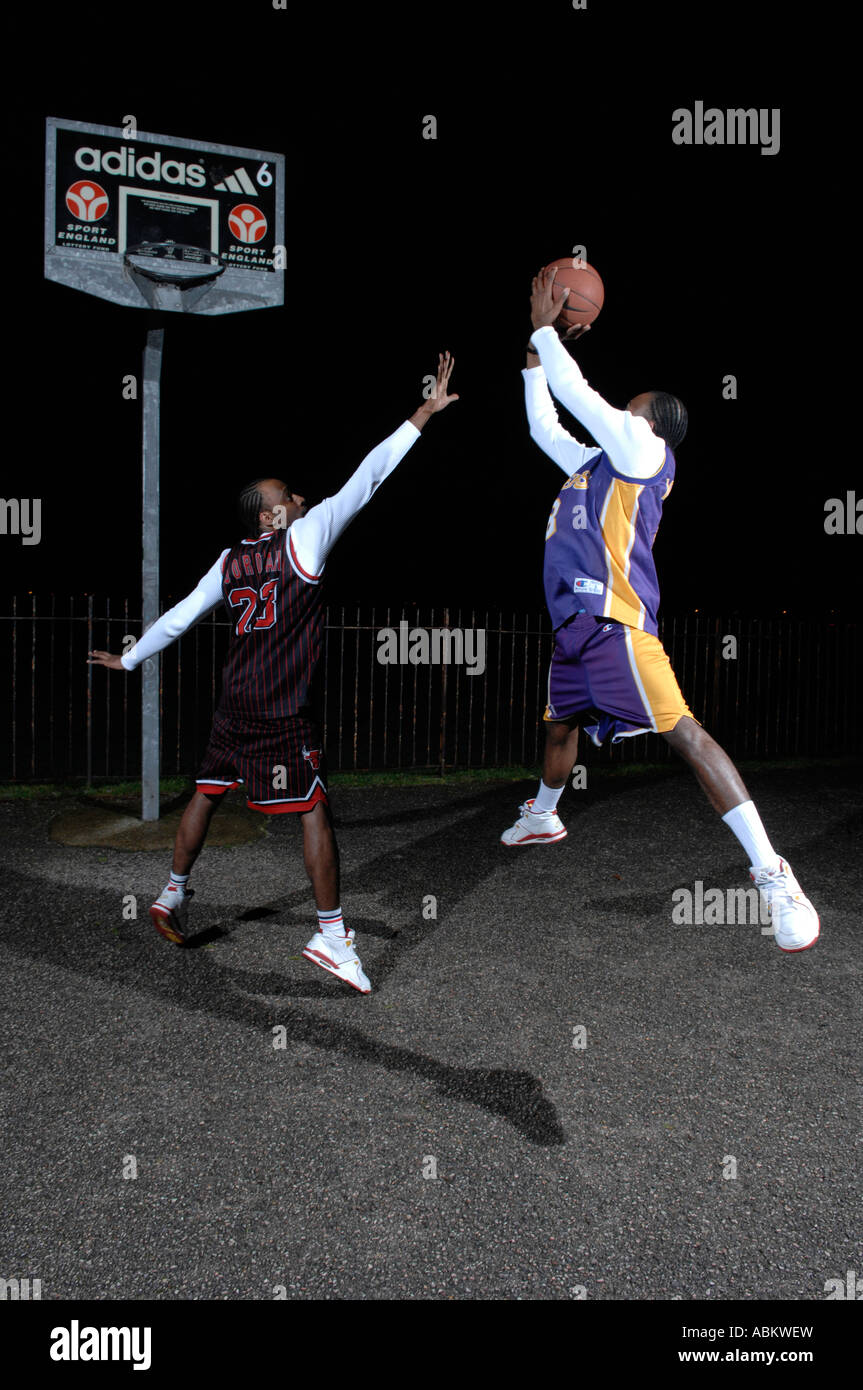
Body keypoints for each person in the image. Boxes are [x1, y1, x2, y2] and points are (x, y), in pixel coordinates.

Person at [88, 352, 458, 992]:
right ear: (271, 514)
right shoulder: (305, 538)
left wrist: (130, 658)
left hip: (234, 706)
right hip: (280, 713)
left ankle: (172, 893)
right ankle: (334, 936)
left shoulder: (229, 562)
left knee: (208, 789)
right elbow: (368, 477)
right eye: (289, 495)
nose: (301, 496)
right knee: (313, 810)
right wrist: (422, 415)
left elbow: (178, 616)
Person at [501, 269, 818, 953]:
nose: (620, 405)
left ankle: (772, 874)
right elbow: (542, 422)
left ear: (648, 419)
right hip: (573, 629)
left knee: (684, 734)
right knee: (559, 728)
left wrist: (543, 325)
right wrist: (534, 356)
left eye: (630, 403)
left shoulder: (646, 449)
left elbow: (578, 394)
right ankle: (544, 816)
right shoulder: (593, 464)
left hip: (616, 625)